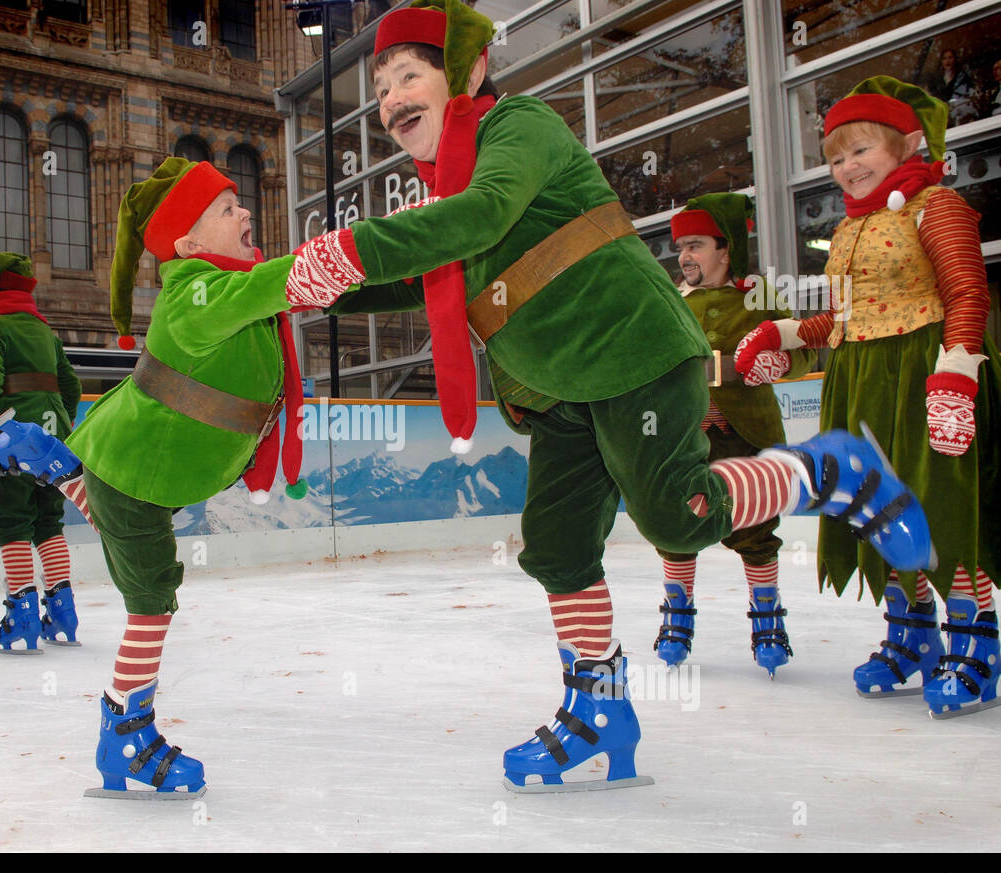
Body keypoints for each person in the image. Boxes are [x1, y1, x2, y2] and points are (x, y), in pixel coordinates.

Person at [316, 0, 934, 791]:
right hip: (560, 391)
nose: (392, 99)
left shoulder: (518, 131)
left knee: (675, 515)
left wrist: (330, 259)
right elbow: (417, 272)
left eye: (410, 76)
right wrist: (307, 291)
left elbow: (479, 220)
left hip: (633, 356)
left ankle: (828, 469)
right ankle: (600, 708)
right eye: (381, 88)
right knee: (557, 547)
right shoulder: (449, 193)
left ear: (467, 74)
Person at [0, 156, 354, 797]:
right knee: (152, 602)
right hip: (132, 473)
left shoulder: (228, 291)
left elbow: (271, 296)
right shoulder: (198, 291)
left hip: (136, 466)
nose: (247, 212)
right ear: (190, 243)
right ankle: (124, 735)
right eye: (229, 209)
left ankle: (56, 461)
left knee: (126, 533)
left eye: (240, 203)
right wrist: (345, 254)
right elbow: (276, 285)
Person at [737, 76, 1000, 718]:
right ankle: (910, 633)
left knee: (942, 504)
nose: (847, 168)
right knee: (877, 504)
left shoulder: (933, 207)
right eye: (835, 157)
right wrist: (785, 333)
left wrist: (956, 377)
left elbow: (967, 295)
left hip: (925, 369)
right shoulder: (850, 229)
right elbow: (844, 320)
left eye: (861, 150)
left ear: (906, 143)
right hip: (859, 376)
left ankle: (977, 644)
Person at [652, 194, 812, 678]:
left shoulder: (759, 296)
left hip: (746, 436)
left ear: (725, 249)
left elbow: (802, 343)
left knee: (757, 532)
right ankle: (678, 616)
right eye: (680, 246)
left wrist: (781, 360)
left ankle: (767, 619)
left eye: (696, 245)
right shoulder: (671, 301)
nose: (684, 256)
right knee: (677, 527)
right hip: (687, 439)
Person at [0, 252, 83, 652]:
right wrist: (58, 425)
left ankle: (23, 617)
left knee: (14, 524)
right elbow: (71, 387)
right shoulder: (44, 331)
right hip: (53, 442)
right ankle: (63, 613)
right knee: (49, 523)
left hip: (9, 440)